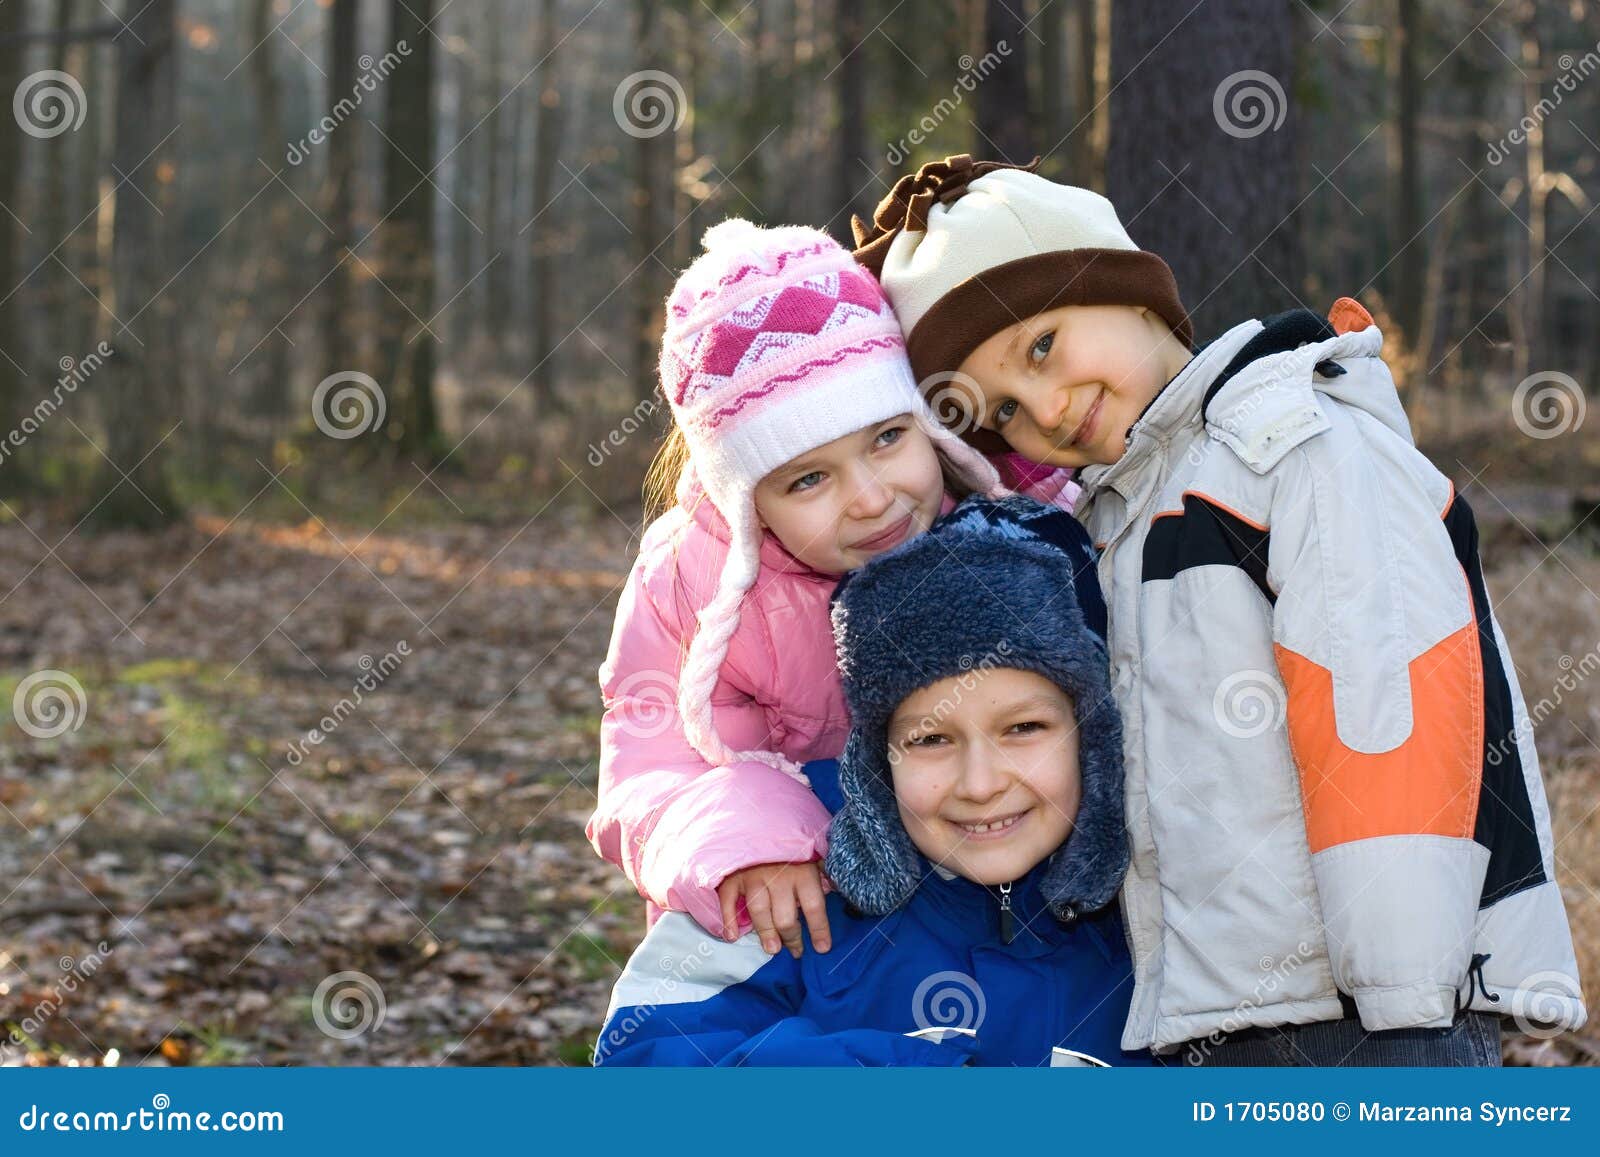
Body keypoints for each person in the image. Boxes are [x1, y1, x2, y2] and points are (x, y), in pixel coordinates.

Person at [849, 153, 1587, 1064]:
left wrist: (1401, 995)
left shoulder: (1294, 451)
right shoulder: (1123, 518)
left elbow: (1386, 708)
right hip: (1226, 1013)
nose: (1046, 406)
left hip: (1366, 1013)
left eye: (1042, 347)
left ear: (1128, 292)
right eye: (1003, 410)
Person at [588, 218, 1079, 959]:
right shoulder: (694, 586)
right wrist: (756, 840)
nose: (872, 499)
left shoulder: (1013, 526)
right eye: (809, 479)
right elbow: (653, 765)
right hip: (807, 924)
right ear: (747, 502)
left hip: (1020, 888)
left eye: (887, 438)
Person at [594, 495, 1147, 1066]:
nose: (980, 785)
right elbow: (641, 1058)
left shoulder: (1160, 901)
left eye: (1025, 728)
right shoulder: (781, 874)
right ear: (876, 757)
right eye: (931, 739)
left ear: (1094, 736)